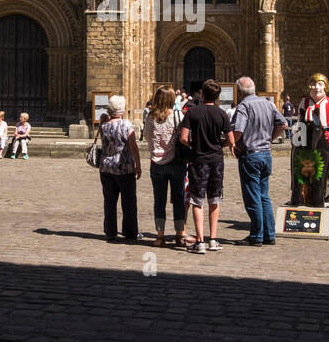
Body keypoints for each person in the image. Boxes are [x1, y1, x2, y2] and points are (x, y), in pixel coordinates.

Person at [179, 79, 234, 254]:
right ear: (217, 96)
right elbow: (231, 140)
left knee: (197, 200)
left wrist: (194, 145)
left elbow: (183, 138)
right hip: (216, 160)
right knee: (214, 199)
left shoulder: (193, 112)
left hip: (198, 160)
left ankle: (200, 241)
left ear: (202, 94)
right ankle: (213, 240)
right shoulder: (222, 114)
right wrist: (218, 145)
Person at [231, 75, 288, 245]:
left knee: (253, 197)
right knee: (264, 196)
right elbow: (283, 124)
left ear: (239, 92)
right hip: (266, 154)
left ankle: (256, 236)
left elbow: (239, 130)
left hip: (251, 155)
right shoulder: (268, 104)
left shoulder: (244, 106)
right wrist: (270, 138)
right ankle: (269, 234)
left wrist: (232, 143)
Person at [144, 85, 188, 248]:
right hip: (176, 162)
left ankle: (160, 236)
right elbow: (183, 136)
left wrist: (157, 149)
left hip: (157, 163)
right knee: (178, 199)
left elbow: (147, 137)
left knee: (159, 200)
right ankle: (180, 235)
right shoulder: (177, 115)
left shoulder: (150, 117)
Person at [292, 73, 329, 207]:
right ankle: (299, 198)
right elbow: (299, 122)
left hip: (322, 140)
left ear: (326, 87)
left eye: (320, 84)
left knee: (320, 172)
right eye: (313, 84)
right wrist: (295, 138)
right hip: (304, 138)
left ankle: (318, 200)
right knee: (300, 171)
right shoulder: (304, 102)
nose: (316, 87)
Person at [98, 94, 142, 241]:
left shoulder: (103, 125)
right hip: (124, 168)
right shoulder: (126, 125)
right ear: (122, 109)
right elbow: (133, 147)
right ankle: (130, 232)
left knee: (109, 201)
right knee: (129, 202)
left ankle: (110, 232)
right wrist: (138, 165)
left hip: (106, 168)